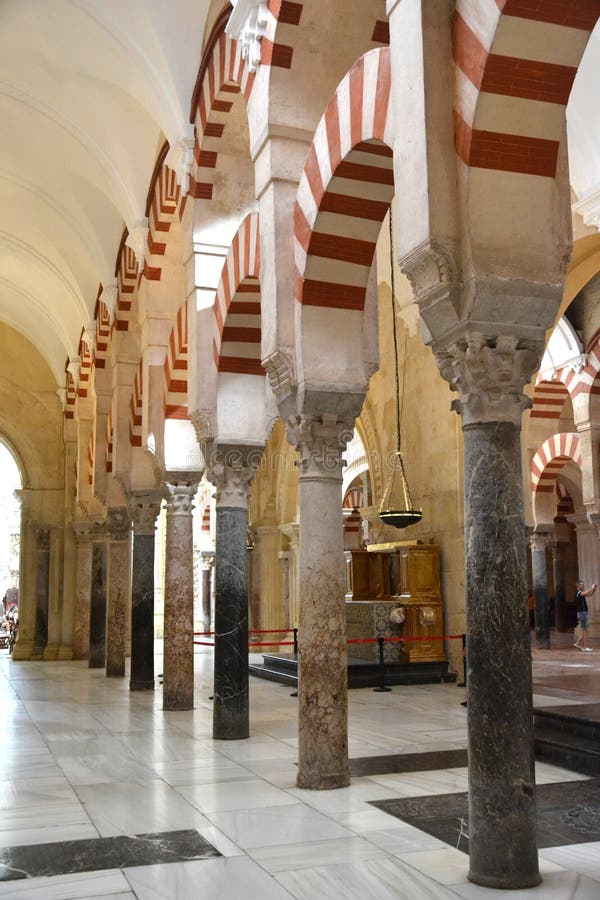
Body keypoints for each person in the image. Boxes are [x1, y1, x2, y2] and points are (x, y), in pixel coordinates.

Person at [574, 580, 595, 651]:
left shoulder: (581, 593)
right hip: (582, 613)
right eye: (582, 585)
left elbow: (588, 595)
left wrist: (593, 590)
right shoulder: (577, 592)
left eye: (583, 585)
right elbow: (585, 593)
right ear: (578, 586)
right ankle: (585, 647)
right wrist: (591, 588)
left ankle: (577, 643)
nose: (583, 586)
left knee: (584, 630)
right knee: (584, 630)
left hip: (584, 613)